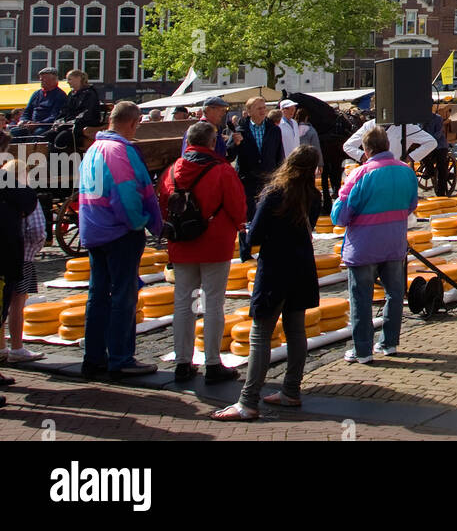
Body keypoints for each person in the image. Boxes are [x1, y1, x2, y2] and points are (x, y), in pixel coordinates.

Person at [213, 146, 322, 420]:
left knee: (260, 333)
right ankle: (291, 390)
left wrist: (245, 238)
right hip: (302, 266)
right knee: (296, 331)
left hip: (275, 267)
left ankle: (248, 401)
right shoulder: (314, 195)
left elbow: (257, 234)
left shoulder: (275, 193)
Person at [79, 101, 163, 378]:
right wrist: (141, 222)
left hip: (95, 231)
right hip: (119, 233)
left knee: (98, 295)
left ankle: (94, 356)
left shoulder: (94, 149)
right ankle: (120, 357)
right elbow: (126, 195)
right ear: (133, 122)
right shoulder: (119, 151)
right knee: (123, 297)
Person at [158, 120, 245, 386]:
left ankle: (183, 362)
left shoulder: (171, 171)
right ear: (210, 142)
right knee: (212, 303)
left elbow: (162, 205)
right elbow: (238, 207)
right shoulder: (221, 170)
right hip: (214, 243)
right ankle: (212, 362)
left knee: (184, 303)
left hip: (182, 245)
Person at [332, 126, 418, 363]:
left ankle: (362, 350)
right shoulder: (405, 171)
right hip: (394, 242)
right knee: (395, 293)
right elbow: (412, 205)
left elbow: (340, 216)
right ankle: (389, 342)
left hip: (364, 245)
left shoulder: (359, 174)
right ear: (388, 146)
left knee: (361, 297)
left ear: (366, 150)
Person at [0, 147, 43, 369]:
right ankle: (15, 347)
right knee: (14, 302)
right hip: (17, 257)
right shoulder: (21, 193)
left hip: (13, 255)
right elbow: (37, 230)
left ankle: (4, 349)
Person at [235, 96, 285, 219]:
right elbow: (230, 154)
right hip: (248, 180)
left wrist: (279, 177)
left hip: (268, 179)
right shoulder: (240, 130)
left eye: (264, 108)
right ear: (249, 111)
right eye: (259, 108)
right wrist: (234, 143)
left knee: (268, 215)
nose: (263, 111)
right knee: (248, 215)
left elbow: (279, 155)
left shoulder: (274, 130)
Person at [13, 68, 66, 137]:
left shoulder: (60, 95)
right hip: (31, 124)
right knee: (13, 132)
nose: (41, 81)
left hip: (47, 126)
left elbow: (55, 115)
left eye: (45, 79)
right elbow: (27, 111)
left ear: (54, 80)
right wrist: (23, 120)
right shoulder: (36, 93)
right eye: (41, 79)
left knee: (37, 134)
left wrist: (37, 124)